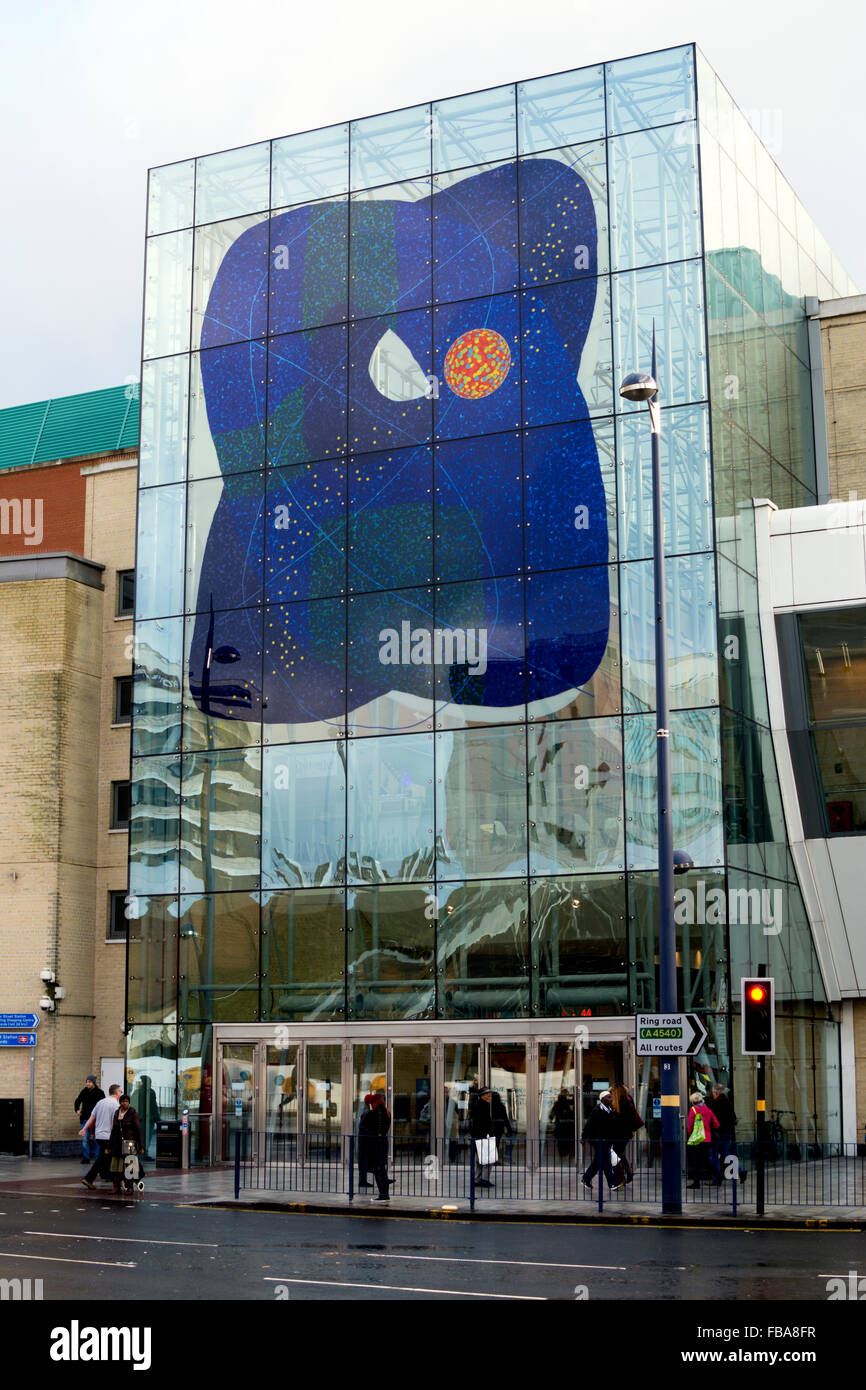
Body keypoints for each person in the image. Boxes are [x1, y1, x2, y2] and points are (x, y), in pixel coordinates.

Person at [581, 1090, 623, 1192]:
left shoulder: (609, 1109)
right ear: (603, 1099)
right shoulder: (597, 1110)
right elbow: (589, 1125)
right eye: (609, 1097)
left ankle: (586, 1179)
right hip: (598, 1140)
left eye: (611, 1097)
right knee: (606, 1161)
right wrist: (583, 1137)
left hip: (606, 1140)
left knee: (597, 1162)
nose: (611, 1099)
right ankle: (612, 1183)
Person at [81, 1084, 121, 1188]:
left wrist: (84, 1129)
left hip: (99, 1135)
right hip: (108, 1136)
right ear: (116, 1093)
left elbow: (91, 1117)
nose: (121, 1093)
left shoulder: (100, 1102)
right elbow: (114, 1123)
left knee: (106, 1157)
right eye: (120, 1092)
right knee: (104, 1158)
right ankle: (89, 1178)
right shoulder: (115, 1105)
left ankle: (106, 1176)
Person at [108, 1094, 145, 1195]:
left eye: (126, 1101)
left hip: (130, 1143)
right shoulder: (117, 1113)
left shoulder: (133, 1113)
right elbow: (113, 1130)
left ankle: (130, 1187)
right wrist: (109, 1146)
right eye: (123, 1101)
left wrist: (141, 1146)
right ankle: (116, 1187)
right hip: (117, 1143)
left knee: (130, 1166)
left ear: (129, 1103)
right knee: (115, 1166)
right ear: (120, 1102)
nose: (124, 1103)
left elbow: (139, 1130)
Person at [707, 1083, 743, 1184]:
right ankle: (740, 1171)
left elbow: (713, 1120)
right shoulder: (728, 1102)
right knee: (726, 1154)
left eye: (713, 1093)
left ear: (716, 1093)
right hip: (728, 1133)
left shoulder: (716, 1104)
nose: (712, 1095)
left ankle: (717, 1179)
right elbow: (734, 1118)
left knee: (714, 1156)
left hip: (719, 1134)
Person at [609, 1081, 644, 1184]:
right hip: (626, 1132)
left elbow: (617, 1119)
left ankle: (625, 1174)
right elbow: (632, 1116)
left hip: (619, 1132)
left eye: (612, 1091)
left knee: (617, 1153)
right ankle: (623, 1174)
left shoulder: (619, 1102)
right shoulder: (628, 1099)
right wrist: (632, 1130)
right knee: (618, 1152)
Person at [686, 1090, 719, 1187]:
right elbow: (717, 1124)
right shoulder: (707, 1109)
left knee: (695, 1162)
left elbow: (689, 1126)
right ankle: (718, 1175)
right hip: (707, 1139)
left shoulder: (693, 1110)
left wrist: (690, 1135)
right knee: (705, 1161)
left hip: (697, 1139)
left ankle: (696, 1183)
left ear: (693, 1101)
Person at [468, 1084, 497, 1187]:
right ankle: (484, 1179)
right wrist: (489, 1135)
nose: (490, 1097)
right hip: (483, 1136)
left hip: (477, 1136)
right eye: (488, 1096)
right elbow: (484, 1123)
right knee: (488, 1159)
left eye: (490, 1095)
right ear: (482, 1096)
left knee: (479, 1158)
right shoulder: (483, 1106)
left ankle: (477, 1179)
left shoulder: (478, 1105)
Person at [366, 1092, 391, 1201]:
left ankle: (383, 1194)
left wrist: (370, 1111)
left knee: (378, 1169)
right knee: (382, 1168)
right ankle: (385, 1193)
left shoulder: (375, 1112)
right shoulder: (387, 1112)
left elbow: (369, 1126)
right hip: (384, 1141)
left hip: (376, 1143)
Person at [74, 1076, 104, 1164]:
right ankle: (86, 1158)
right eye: (87, 1082)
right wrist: (77, 1110)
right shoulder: (84, 1091)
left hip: (96, 1120)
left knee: (96, 1140)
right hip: (85, 1119)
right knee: (84, 1139)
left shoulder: (100, 1093)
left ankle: (97, 1158)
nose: (88, 1083)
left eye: (90, 1082)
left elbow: (103, 1105)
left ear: (94, 1083)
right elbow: (77, 1101)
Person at [130, 1074, 160, 1160]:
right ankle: (144, 1153)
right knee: (146, 1138)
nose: (139, 1083)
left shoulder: (139, 1092)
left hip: (142, 1119)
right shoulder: (150, 1092)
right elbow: (154, 1106)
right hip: (147, 1119)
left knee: (140, 1137)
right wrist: (156, 1117)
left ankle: (142, 1153)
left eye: (141, 1082)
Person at [548, 1089, 576, 1160]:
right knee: (570, 1141)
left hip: (560, 1126)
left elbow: (551, 1114)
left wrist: (551, 1119)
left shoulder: (557, 1103)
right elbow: (573, 1114)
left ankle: (563, 1154)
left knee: (561, 1142)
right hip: (569, 1126)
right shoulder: (570, 1103)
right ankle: (570, 1154)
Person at [356, 1093, 375, 1190]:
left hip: (363, 1141)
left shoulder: (365, 1111)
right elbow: (363, 1127)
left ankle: (362, 1180)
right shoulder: (367, 1112)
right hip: (365, 1141)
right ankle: (362, 1181)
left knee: (364, 1161)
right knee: (365, 1160)